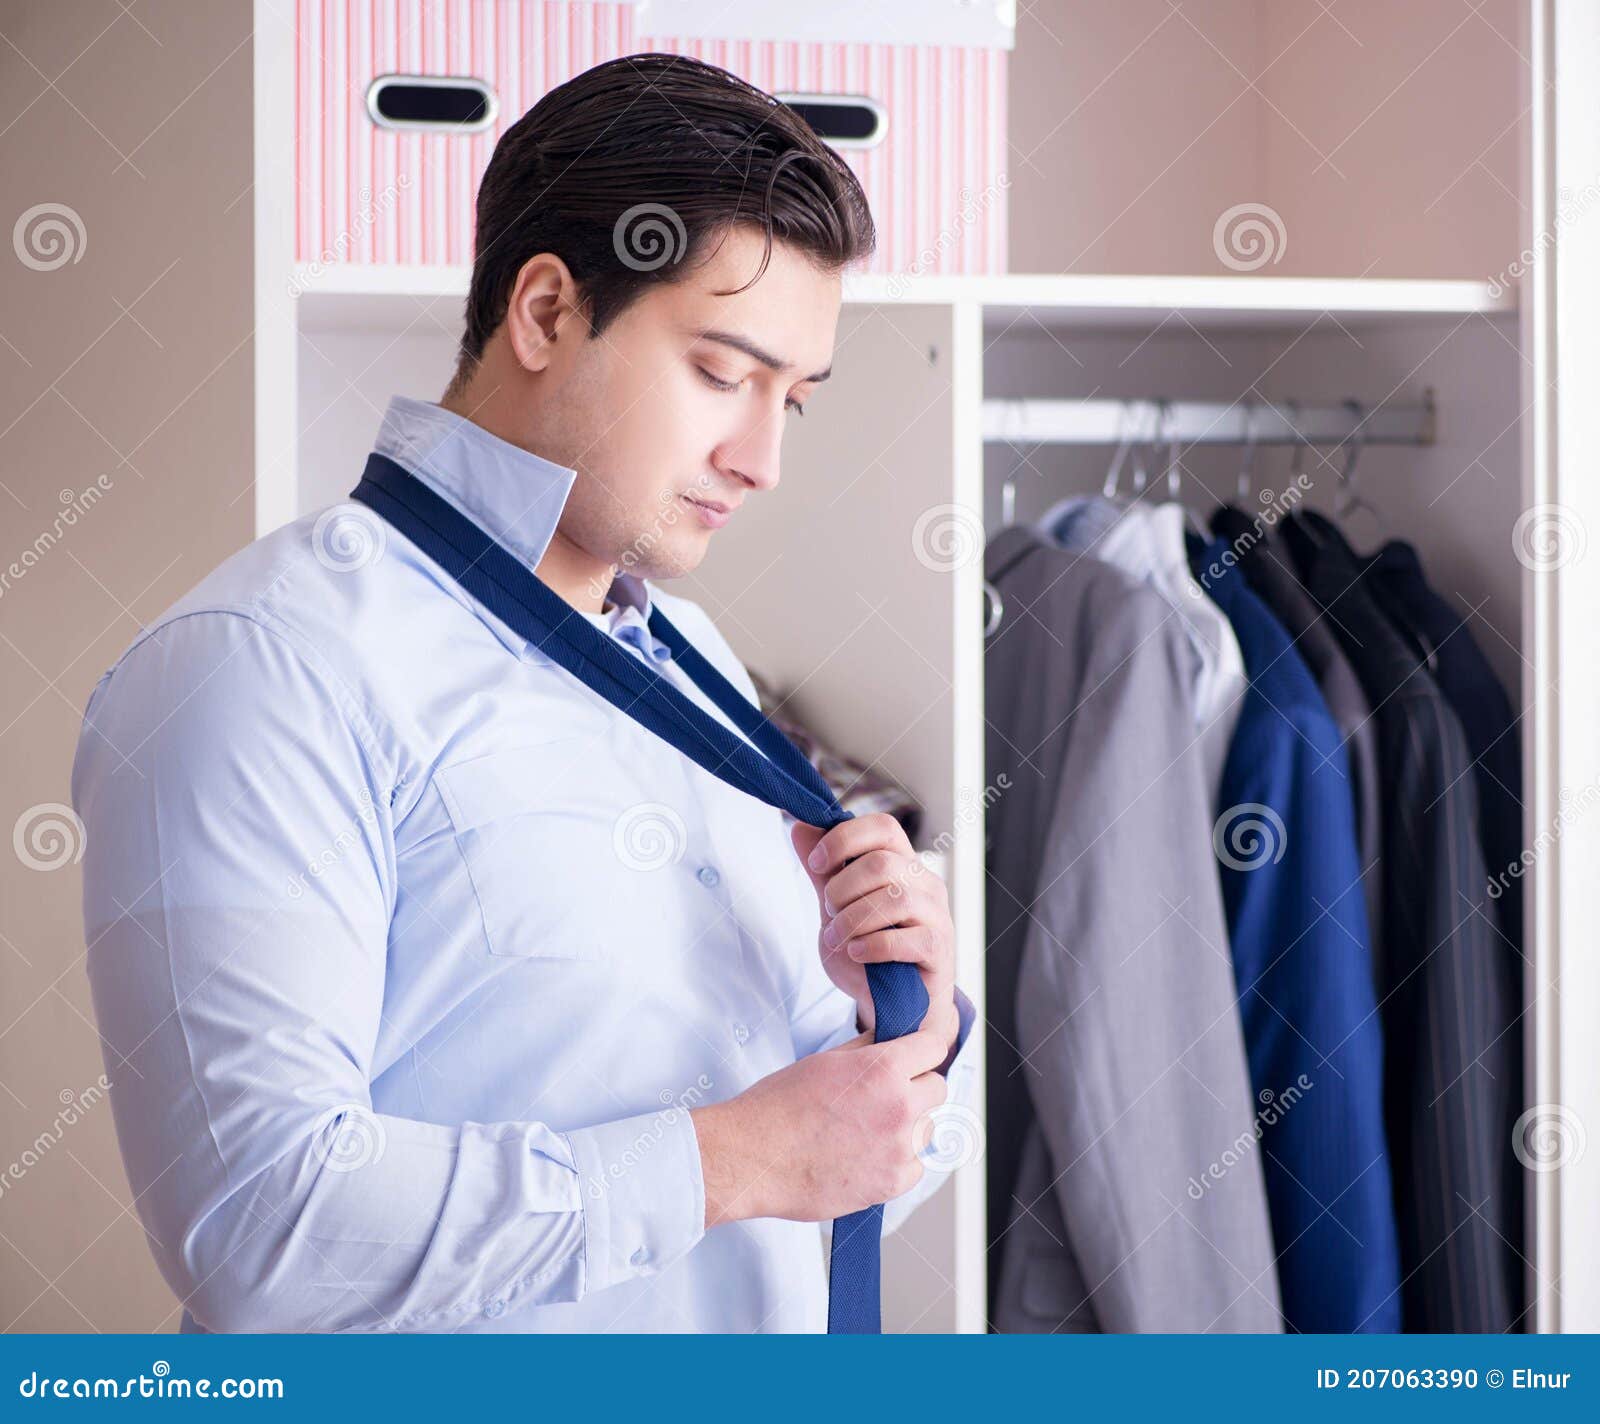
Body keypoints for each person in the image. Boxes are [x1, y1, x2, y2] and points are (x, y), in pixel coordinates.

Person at [69, 52, 977, 1334]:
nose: (762, 459)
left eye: (796, 401)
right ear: (547, 312)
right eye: (723, 373)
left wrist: (905, 1025)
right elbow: (260, 1228)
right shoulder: (257, 664)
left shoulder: (698, 664)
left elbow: (817, 1192)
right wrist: (735, 1155)